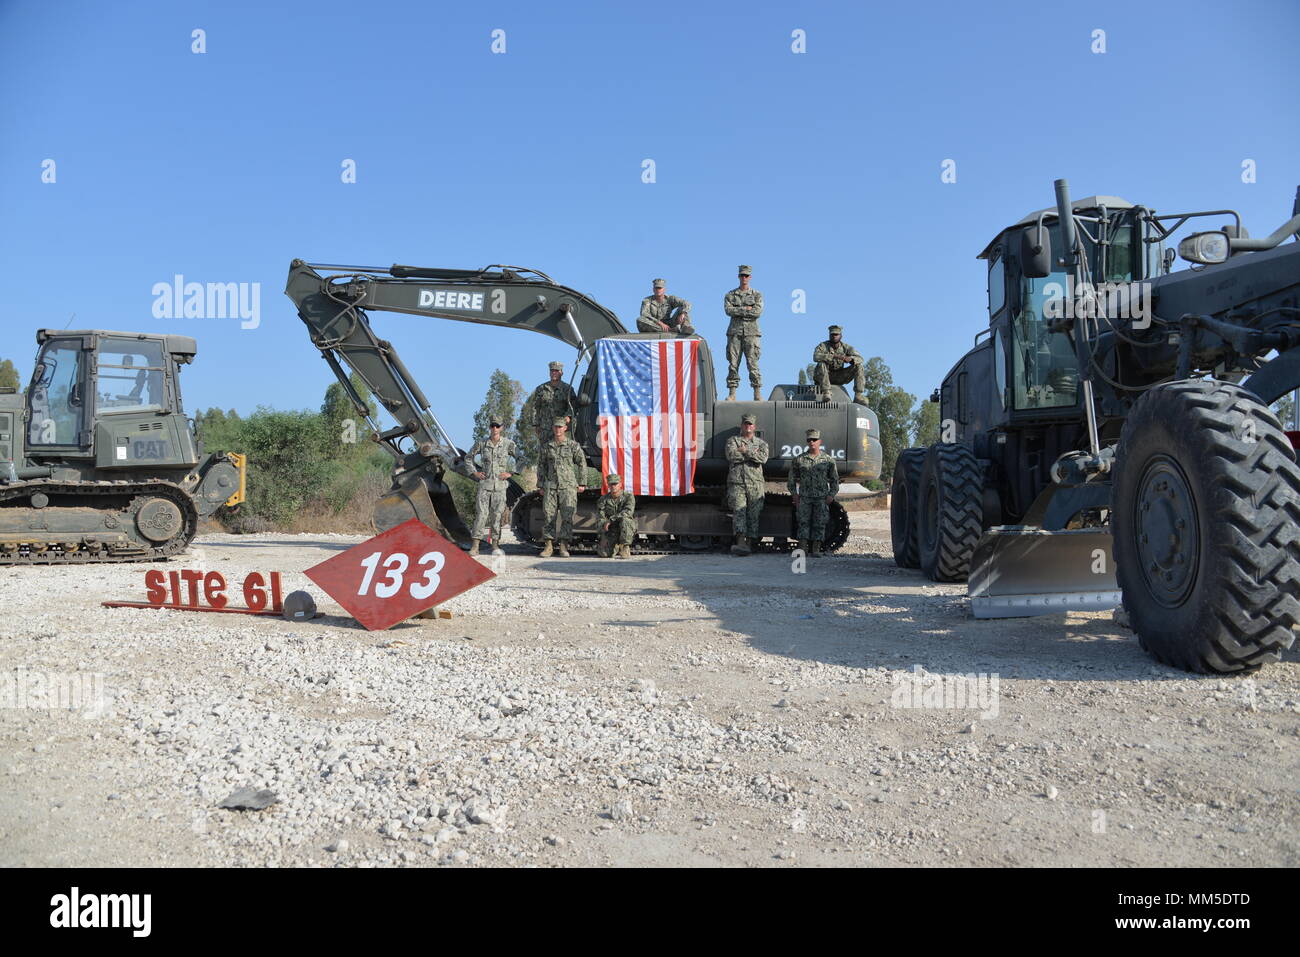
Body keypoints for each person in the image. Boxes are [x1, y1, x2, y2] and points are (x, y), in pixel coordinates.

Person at [537, 418, 587, 557]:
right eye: (555, 427)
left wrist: (582, 482)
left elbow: (582, 463)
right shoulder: (547, 446)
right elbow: (541, 466)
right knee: (548, 516)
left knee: (567, 516)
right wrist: (541, 484)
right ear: (553, 428)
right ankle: (548, 546)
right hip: (551, 486)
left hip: (568, 487)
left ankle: (564, 546)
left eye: (560, 427)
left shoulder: (572, 445)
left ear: (565, 428)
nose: (558, 429)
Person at [466, 419, 516, 556]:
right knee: (481, 515)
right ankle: (475, 545)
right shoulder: (482, 443)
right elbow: (468, 457)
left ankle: (495, 545)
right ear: (489, 427)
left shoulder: (508, 444)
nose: (494, 428)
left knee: (497, 516)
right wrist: (474, 472)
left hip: (500, 487)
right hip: (485, 485)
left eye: (497, 426)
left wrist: (510, 473)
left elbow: (522, 459)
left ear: (502, 428)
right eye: (492, 425)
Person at [788, 427, 839, 556]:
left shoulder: (828, 460)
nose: (812, 442)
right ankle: (803, 548)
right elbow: (791, 479)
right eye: (809, 440)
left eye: (814, 439)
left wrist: (831, 495)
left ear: (819, 441)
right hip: (805, 497)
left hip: (821, 498)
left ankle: (816, 549)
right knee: (803, 522)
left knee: (820, 523)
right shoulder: (799, 459)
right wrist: (794, 495)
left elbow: (834, 480)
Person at [724, 412, 769, 555]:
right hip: (737, 483)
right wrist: (751, 454)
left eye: (750, 424)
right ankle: (741, 543)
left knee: (753, 514)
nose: (748, 426)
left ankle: (749, 544)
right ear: (742, 425)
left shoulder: (761, 444)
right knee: (739, 512)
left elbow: (762, 458)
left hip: (755, 484)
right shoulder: (733, 441)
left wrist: (745, 451)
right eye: (745, 423)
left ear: (754, 426)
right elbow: (731, 456)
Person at [723, 264, 763, 401]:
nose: (744, 278)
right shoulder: (730, 295)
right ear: (738, 276)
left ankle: (757, 392)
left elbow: (757, 312)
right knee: (733, 364)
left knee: (753, 363)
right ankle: (732, 393)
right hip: (735, 333)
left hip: (752, 333)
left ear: (750, 277)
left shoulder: (757, 295)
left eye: (746, 275)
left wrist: (739, 310)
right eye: (742, 275)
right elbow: (728, 310)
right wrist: (746, 309)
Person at [812, 325, 868, 404]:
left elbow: (860, 358)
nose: (834, 336)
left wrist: (851, 359)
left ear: (841, 336)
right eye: (832, 335)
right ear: (829, 335)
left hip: (839, 376)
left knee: (859, 366)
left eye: (836, 335)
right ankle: (826, 393)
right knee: (821, 364)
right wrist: (835, 356)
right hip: (824, 376)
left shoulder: (846, 347)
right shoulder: (823, 346)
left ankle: (858, 396)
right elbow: (816, 357)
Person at [529, 361, 577, 450]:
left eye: (556, 371)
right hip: (545, 428)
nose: (554, 373)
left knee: (562, 451)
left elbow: (573, 405)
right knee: (545, 452)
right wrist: (536, 424)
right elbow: (535, 407)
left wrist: (568, 416)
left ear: (561, 373)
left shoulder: (568, 389)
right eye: (552, 371)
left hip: (561, 427)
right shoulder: (541, 389)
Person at [596, 472, 636, 559]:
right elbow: (600, 517)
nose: (613, 486)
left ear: (620, 484)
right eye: (611, 484)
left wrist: (611, 520)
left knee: (626, 520)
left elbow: (628, 512)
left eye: (615, 484)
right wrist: (603, 536)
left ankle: (625, 547)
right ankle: (616, 546)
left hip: (624, 528)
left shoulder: (628, 496)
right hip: (611, 529)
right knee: (604, 554)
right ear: (608, 485)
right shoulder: (603, 499)